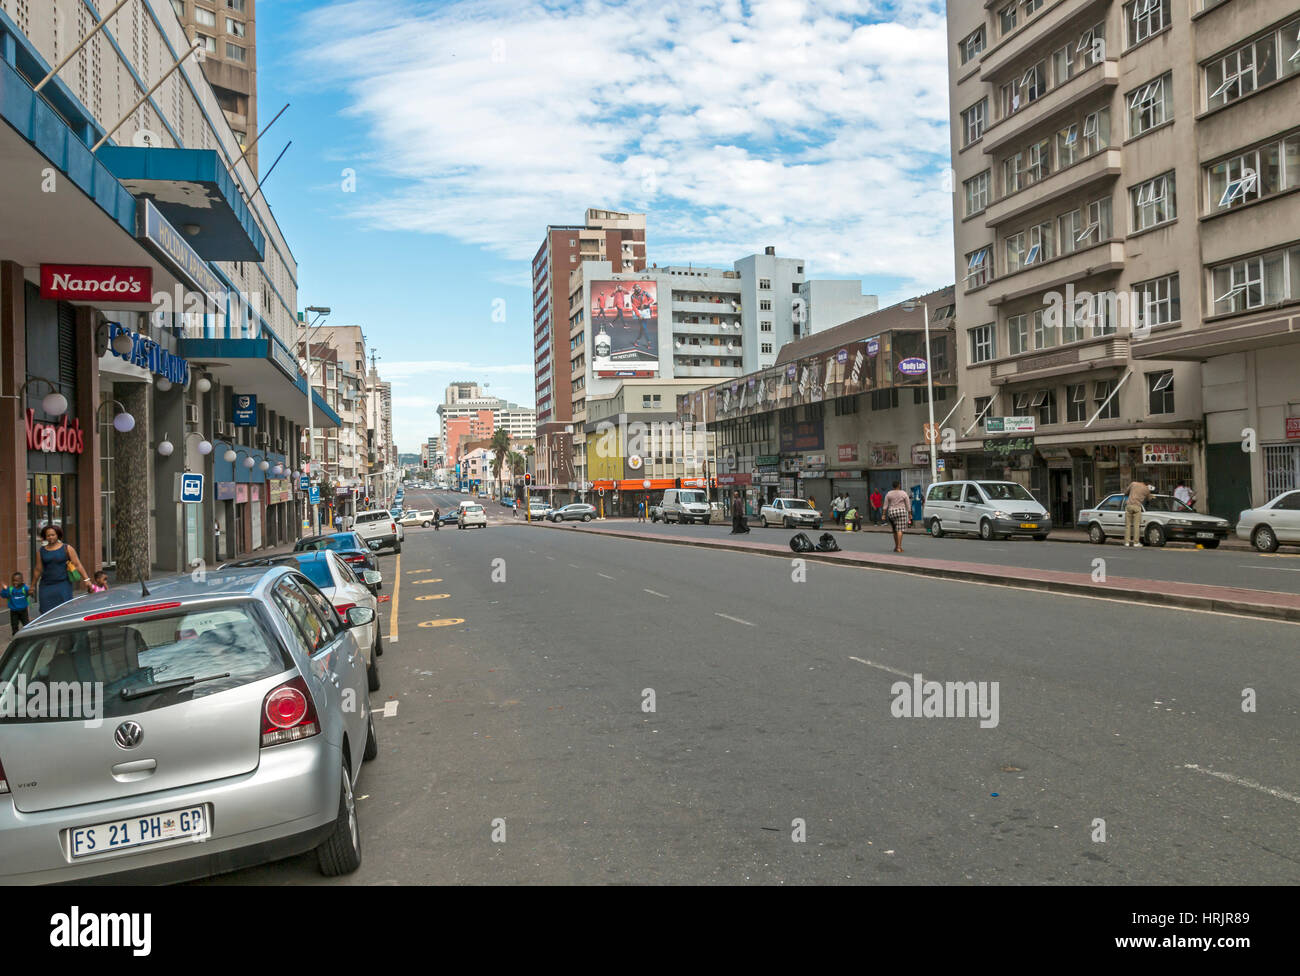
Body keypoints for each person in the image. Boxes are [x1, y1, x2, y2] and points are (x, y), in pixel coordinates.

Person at [31, 523, 93, 615]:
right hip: (46, 586)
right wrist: (32, 586)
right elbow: (38, 569)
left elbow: (77, 565)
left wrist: (87, 580)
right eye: (48, 535)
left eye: (53, 535)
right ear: (45, 537)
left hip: (63, 584)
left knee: (65, 610)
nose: (50, 537)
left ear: (58, 535)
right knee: (46, 612)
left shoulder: (67, 548)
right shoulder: (41, 551)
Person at [882, 481, 912, 553]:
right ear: (899, 485)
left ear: (893, 486)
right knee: (900, 530)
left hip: (892, 513)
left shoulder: (889, 493)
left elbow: (885, 505)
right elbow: (908, 504)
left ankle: (896, 546)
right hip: (901, 512)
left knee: (894, 530)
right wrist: (910, 514)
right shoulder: (903, 493)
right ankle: (899, 547)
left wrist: (883, 515)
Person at [1125, 479, 1154, 548]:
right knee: (1136, 526)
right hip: (1137, 506)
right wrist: (1151, 495)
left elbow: (1126, 492)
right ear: (1148, 483)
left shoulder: (1133, 483)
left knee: (1128, 525)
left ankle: (1127, 542)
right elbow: (1149, 498)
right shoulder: (1146, 489)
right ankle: (1136, 543)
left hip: (1128, 506)